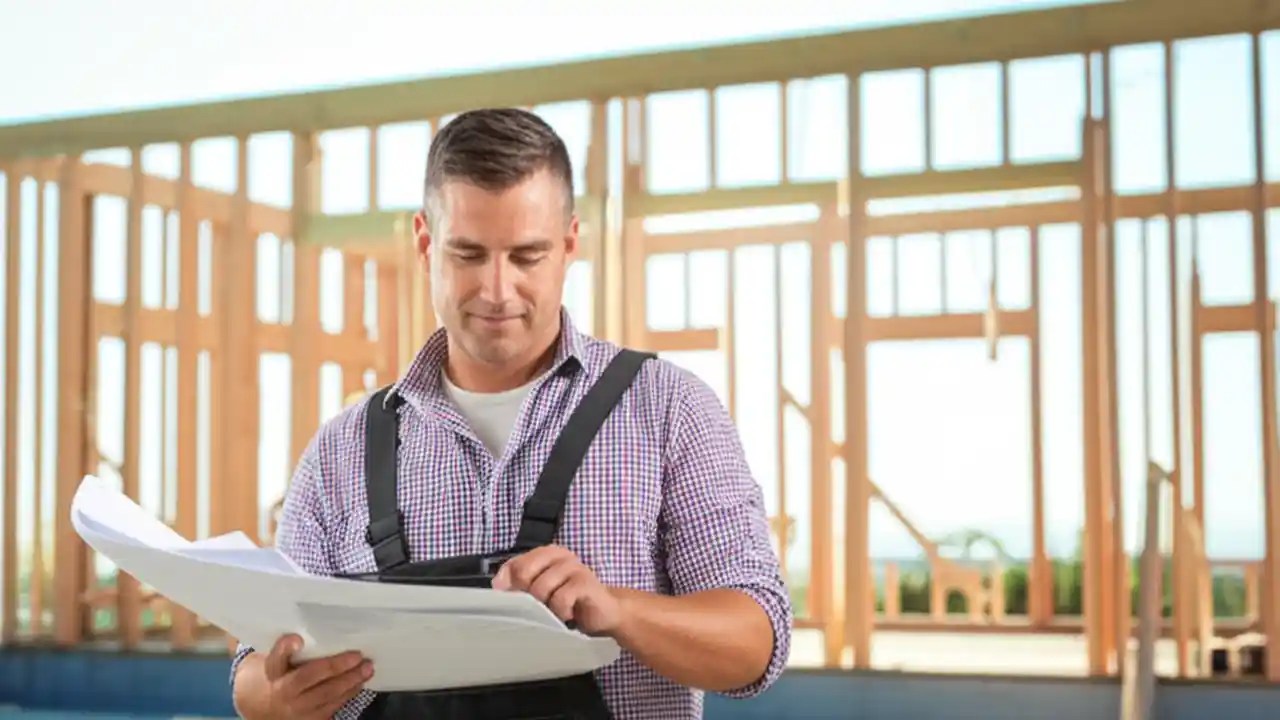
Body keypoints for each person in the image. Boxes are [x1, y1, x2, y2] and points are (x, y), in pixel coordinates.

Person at [229, 107, 792, 719]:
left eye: (526, 256)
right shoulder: (342, 451)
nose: (497, 291)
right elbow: (251, 678)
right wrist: (273, 698)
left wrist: (620, 610)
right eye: (468, 255)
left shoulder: (668, 410)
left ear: (570, 243)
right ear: (425, 243)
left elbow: (756, 643)